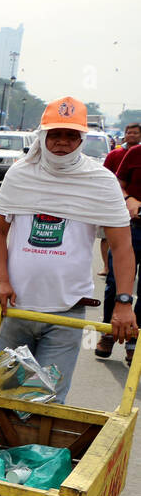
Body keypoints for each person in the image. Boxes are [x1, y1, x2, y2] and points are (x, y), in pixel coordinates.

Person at [0, 96, 136, 402]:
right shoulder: (20, 174)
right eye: (55, 135)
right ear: (42, 136)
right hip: (15, 310)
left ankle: (35, 450)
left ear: (81, 140)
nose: (62, 143)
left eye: (71, 136)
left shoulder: (100, 182)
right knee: (4, 397)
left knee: (48, 402)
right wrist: (1, 280)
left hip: (66, 314)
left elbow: (121, 247)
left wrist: (123, 303)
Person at [100, 121, 141, 361]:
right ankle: (107, 330)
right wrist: (130, 199)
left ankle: (134, 340)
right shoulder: (134, 153)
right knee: (116, 284)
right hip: (132, 228)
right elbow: (117, 184)